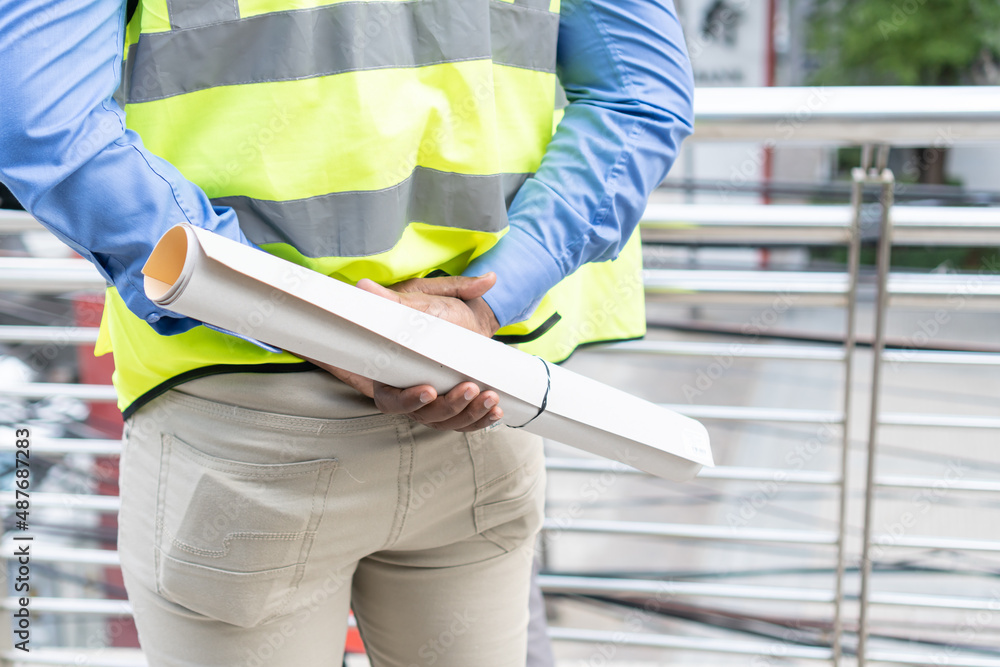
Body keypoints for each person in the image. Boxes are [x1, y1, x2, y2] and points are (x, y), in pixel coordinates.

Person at [0, 0, 694, 665]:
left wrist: (311, 316)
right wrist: (484, 303)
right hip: (479, 395)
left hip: (241, 427)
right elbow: (643, 100)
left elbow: (40, 121)